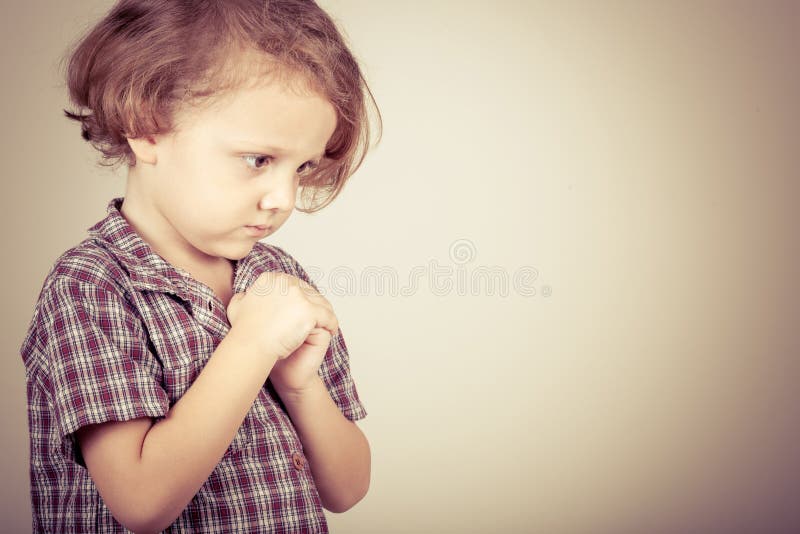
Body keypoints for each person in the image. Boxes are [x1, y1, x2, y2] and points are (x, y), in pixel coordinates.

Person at [19, 0, 381, 532]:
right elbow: (140, 503)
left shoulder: (277, 278)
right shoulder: (91, 286)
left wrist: (300, 385)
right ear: (146, 127)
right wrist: (253, 345)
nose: (283, 198)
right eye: (258, 159)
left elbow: (347, 489)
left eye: (301, 167)